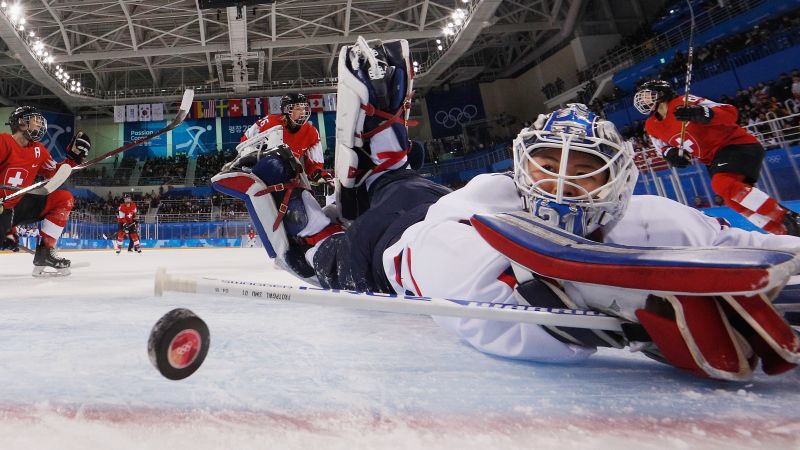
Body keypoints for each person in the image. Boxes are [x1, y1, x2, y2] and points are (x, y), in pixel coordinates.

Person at [213, 38, 800, 381]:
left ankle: (377, 156)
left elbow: (745, 249)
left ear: (616, 179)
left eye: (583, 169)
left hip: (422, 198)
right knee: (323, 258)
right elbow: (479, 315)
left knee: (396, 183)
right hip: (397, 242)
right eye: (551, 164)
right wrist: (608, 315)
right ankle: (287, 194)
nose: (563, 181)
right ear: (525, 166)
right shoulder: (490, 204)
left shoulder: (645, 217)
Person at [633, 79, 800, 235]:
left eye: (647, 93)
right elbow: (662, 147)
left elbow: (730, 112)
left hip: (736, 145)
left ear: (661, 93)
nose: (643, 98)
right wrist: (671, 154)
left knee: (721, 184)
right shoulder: (651, 125)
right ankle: (784, 232)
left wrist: (705, 113)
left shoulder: (685, 102)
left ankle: (788, 217)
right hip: (713, 160)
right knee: (733, 200)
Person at [0, 106, 90, 276]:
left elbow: (55, 174)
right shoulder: (3, 141)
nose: (40, 124)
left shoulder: (38, 150)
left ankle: (45, 253)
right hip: (2, 209)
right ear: (21, 123)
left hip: (18, 205)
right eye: (35, 120)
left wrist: (73, 159)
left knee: (63, 198)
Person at [240, 93, 333, 188]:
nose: (303, 112)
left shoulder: (311, 132)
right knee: (275, 163)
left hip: (287, 180)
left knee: (306, 199)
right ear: (286, 110)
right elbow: (244, 142)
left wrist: (321, 177)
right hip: (262, 176)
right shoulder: (269, 122)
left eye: (304, 108)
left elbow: (314, 166)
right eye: (298, 108)